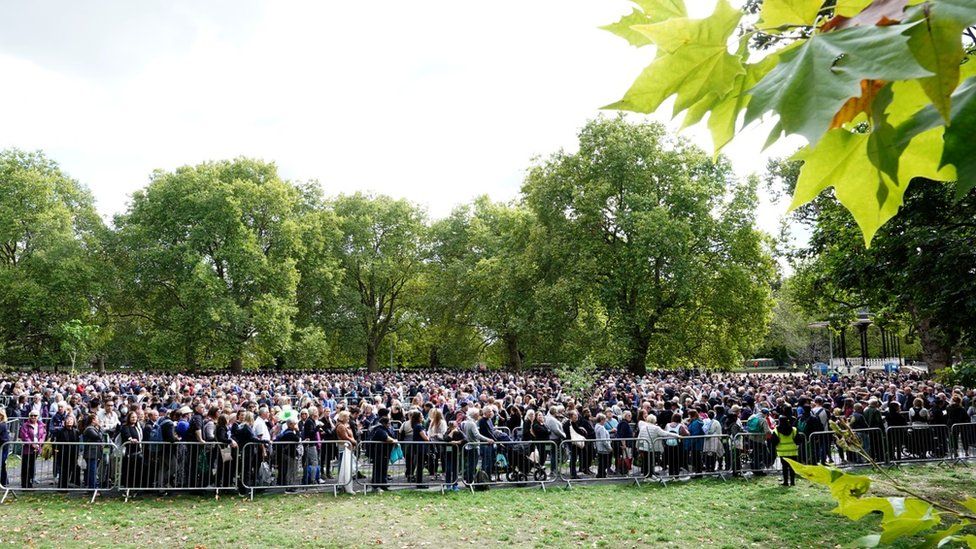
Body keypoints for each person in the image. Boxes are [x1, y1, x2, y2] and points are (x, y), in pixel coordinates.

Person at [368, 416, 397, 491]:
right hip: (380, 452)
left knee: (383, 469)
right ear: (384, 423)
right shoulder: (380, 429)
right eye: (388, 423)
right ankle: (377, 485)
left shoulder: (380, 428)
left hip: (383, 452)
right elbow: (386, 438)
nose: (389, 425)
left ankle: (382, 484)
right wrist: (394, 440)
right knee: (379, 469)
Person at [19, 410, 46, 488]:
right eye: (31, 415)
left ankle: (30, 482)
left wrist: (39, 443)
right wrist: (32, 444)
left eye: (35, 415)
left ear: (38, 416)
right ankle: (25, 484)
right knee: (25, 466)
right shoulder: (25, 425)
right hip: (27, 449)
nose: (33, 417)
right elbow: (24, 436)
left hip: (37, 448)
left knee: (32, 465)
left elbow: (43, 435)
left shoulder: (41, 425)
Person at [53, 414, 81, 488]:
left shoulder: (76, 431)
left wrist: (77, 454)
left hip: (73, 454)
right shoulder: (60, 431)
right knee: (64, 471)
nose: (69, 421)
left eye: (71, 420)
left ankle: (69, 484)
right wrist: (56, 452)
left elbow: (77, 444)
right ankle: (62, 487)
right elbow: (55, 442)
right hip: (63, 454)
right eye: (68, 420)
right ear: (65, 422)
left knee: (72, 469)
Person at [773, 410, 799, 487]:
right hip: (793, 451)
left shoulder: (776, 429)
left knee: (784, 467)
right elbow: (798, 440)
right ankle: (793, 482)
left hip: (782, 451)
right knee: (792, 467)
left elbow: (774, 441)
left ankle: (785, 482)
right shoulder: (794, 429)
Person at [119, 411, 144, 489]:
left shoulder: (137, 427)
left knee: (136, 470)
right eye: (132, 417)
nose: (134, 419)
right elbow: (126, 435)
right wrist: (131, 439)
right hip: (129, 452)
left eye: (135, 417)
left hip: (138, 451)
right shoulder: (125, 426)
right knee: (128, 470)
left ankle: (135, 486)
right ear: (129, 418)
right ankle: (127, 486)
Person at [335, 410, 357, 494]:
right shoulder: (341, 426)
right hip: (343, 448)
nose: (349, 418)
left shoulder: (345, 425)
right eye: (347, 417)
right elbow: (345, 437)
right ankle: (340, 486)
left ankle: (343, 485)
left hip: (347, 448)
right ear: (343, 417)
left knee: (346, 467)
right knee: (342, 467)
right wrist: (354, 442)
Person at [82, 414, 103, 490]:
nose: (99, 421)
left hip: (95, 453)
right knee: (92, 471)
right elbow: (99, 436)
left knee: (93, 470)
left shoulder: (94, 428)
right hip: (91, 453)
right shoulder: (89, 429)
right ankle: (92, 487)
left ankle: (91, 486)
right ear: (93, 420)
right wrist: (100, 428)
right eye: (97, 419)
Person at [409, 410, 430, 488]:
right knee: (420, 466)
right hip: (420, 448)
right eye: (421, 416)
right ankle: (419, 483)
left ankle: (419, 482)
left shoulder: (417, 425)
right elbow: (426, 438)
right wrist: (429, 436)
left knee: (420, 465)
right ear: (418, 418)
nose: (423, 417)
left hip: (419, 448)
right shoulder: (418, 426)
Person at [594, 414, 612, 478]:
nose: (605, 421)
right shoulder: (601, 428)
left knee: (601, 462)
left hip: (600, 447)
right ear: (601, 420)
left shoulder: (597, 426)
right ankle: (601, 474)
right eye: (604, 420)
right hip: (603, 448)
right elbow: (603, 439)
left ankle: (601, 473)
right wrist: (609, 447)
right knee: (604, 462)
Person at [0, 410, 9, 487]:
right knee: (2, 464)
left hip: (3, 447)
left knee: (2, 464)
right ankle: (4, 481)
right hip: (3, 446)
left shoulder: (2, 425)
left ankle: (4, 482)